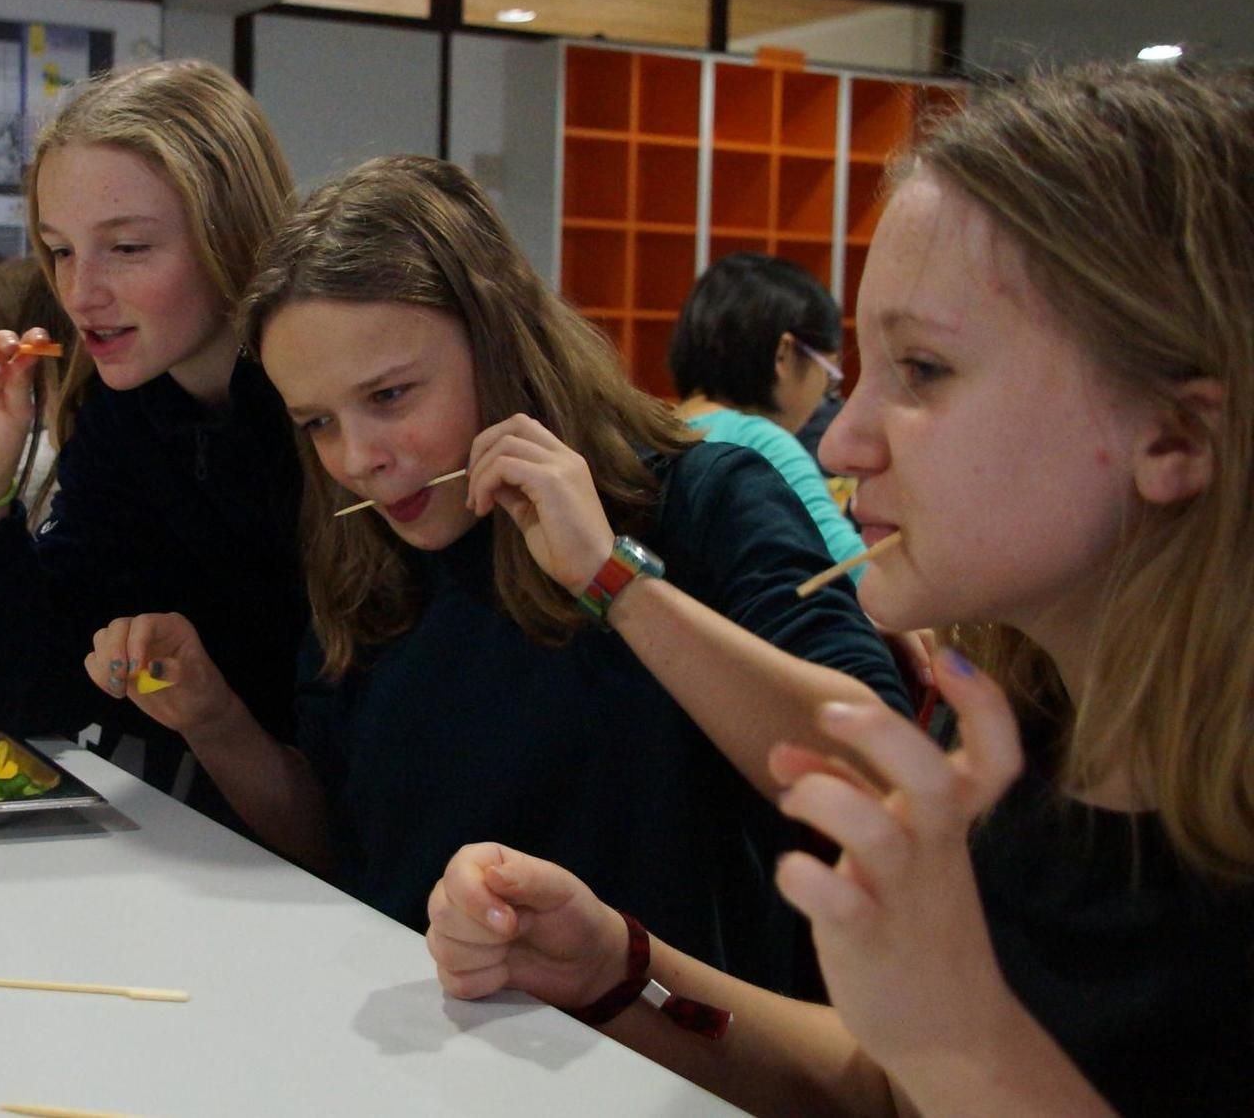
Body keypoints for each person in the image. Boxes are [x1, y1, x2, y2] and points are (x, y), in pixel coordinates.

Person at [426, 63, 1253, 1116]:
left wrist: (960, 1041)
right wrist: (616, 968)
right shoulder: (1029, 741)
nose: (849, 440)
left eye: (921, 370)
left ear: (1173, 435)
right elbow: (884, 1080)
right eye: (861, 366)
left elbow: (939, 1064)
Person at [82, 154, 908, 994]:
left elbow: (879, 778)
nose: (360, 459)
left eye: (393, 395)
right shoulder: (367, 551)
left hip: (664, 1060)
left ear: (499, 341)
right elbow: (340, 839)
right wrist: (215, 718)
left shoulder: (699, 499)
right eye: (319, 422)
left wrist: (611, 579)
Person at [0, 60, 305, 811]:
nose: (80, 294)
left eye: (127, 248)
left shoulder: (329, 426)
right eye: (60, 250)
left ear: (237, 234)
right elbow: (33, 698)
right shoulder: (123, 416)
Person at [670, 252, 868, 580]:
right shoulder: (762, 445)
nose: (825, 395)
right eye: (829, 374)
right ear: (784, 354)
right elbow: (849, 574)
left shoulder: (659, 430)